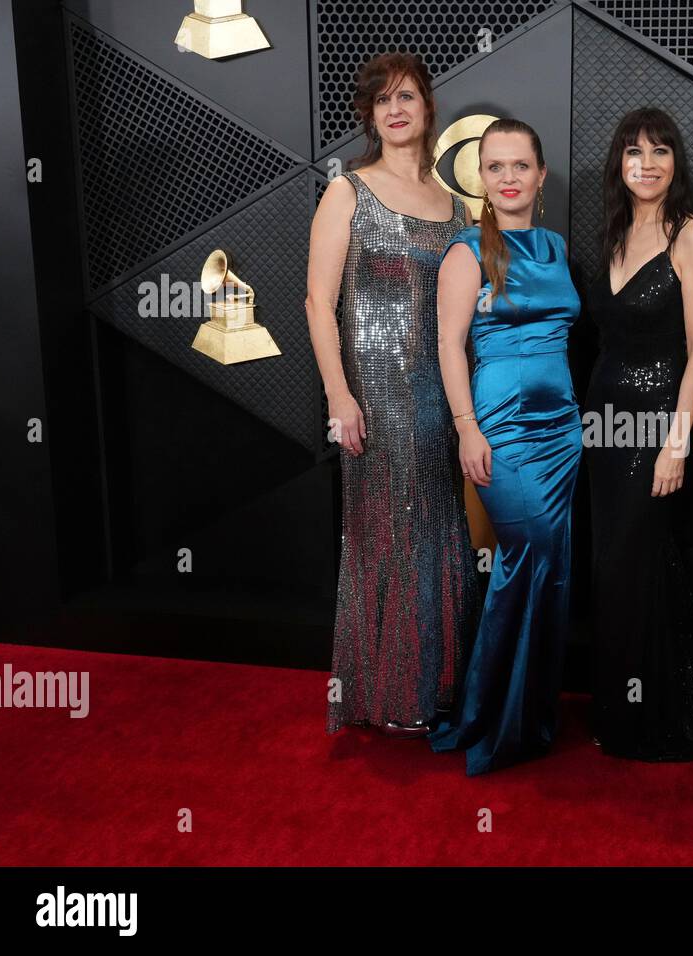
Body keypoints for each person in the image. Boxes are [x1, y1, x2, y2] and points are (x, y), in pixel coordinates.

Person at [308, 53, 480, 737]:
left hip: (441, 396)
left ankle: (439, 684)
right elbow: (319, 303)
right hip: (373, 399)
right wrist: (338, 396)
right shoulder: (348, 191)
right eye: (381, 100)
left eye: (406, 95)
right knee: (385, 536)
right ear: (370, 115)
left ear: (427, 106)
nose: (395, 108)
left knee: (440, 531)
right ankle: (387, 692)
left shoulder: (459, 206)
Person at [583, 107, 693, 760]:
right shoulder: (613, 232)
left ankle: (658, 715)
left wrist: (678, 444)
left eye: (659, 151)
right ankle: (619, 713)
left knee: (642, 563)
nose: (645, 164)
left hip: (659, 425)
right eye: (633, 152)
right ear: (618, 165)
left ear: (676, 162)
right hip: (603, 424)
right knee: (613, 568)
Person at [428, 119, 583, 775]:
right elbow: (448, 343)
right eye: (496, 167)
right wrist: (466, 425)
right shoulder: (468, 252)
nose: (510, 177)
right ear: (481, 178)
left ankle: (530, 715)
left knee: (553, 568)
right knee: (527, 557)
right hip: (503, 428)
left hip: (563, 431)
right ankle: (488, 714)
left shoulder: (554, 245)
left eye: (521, 165)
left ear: (540, 175)